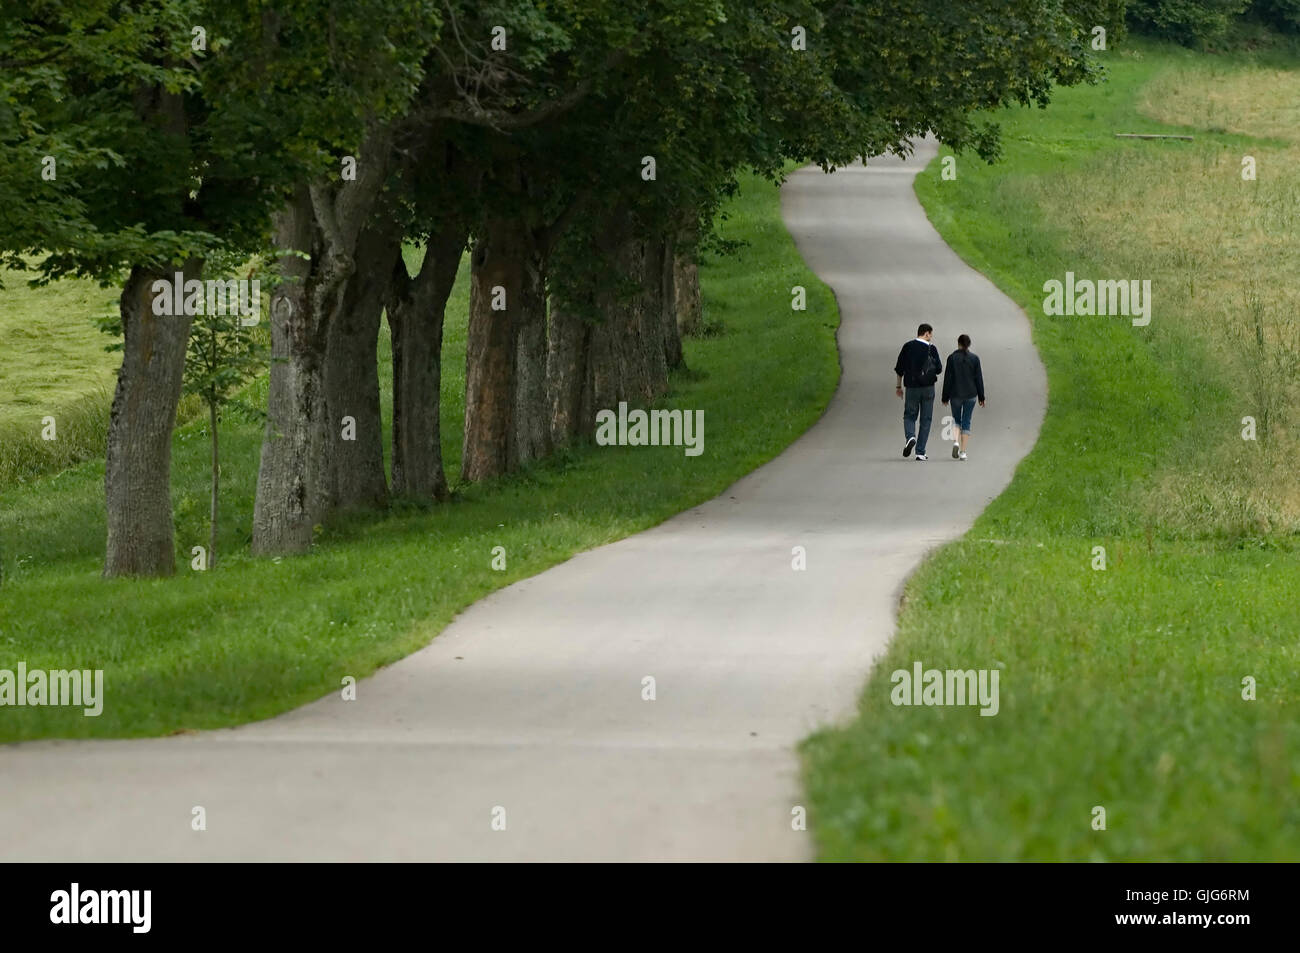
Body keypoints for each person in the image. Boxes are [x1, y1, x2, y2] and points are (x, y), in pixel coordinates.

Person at [894, 323, 943, 461]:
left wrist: (898, 387)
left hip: (912, 388)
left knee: (909, 415)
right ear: (926, 333)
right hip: (928, 388)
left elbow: (899, 369)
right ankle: (920, 452)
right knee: (926, 419)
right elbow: (939, 369)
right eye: (931, 335)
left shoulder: (908, 347)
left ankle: (910, 437)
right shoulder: (931, 349)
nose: (931, 338)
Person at [940, 333, 985, 460]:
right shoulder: (975, 359)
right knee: (967, 421)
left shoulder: (952, 358)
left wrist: (945, 397)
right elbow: (978, 379)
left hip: (955, 394)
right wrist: (981, 397)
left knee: (956, 419)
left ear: (958, 343)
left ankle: (955, 441)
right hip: (971, 394)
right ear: (969, 344)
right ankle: (963, 452)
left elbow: (947, 379)